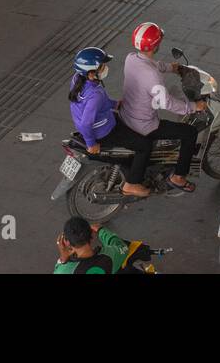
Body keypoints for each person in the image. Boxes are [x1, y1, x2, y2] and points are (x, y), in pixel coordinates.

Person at [119, 22, 205, 193]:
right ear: (156, 44)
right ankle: (178, 177)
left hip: (126, 115)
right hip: (144, 124)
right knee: (189, 133)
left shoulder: (131, 58)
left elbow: (151, 65)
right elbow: (167, 103)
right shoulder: (152, 77)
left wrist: (171, 67)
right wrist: (194, 106)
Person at [67, 47, 154, 198]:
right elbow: (86, 122)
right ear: (91, 73)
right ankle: (131, 184)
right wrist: (91, 143)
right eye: (101, 66)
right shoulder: (96, 94)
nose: (105, 68)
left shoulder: (77, 79)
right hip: (104, 132)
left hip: (99, 122)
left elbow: (95, 107)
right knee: (144, 145)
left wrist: (115, 105)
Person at [53, 217, 131, 274]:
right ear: (92, 235)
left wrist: (63, 258)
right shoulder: (109, 255)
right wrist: (101, 231)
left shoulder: (65, 270)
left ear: (67, 242)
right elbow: (123, 247)